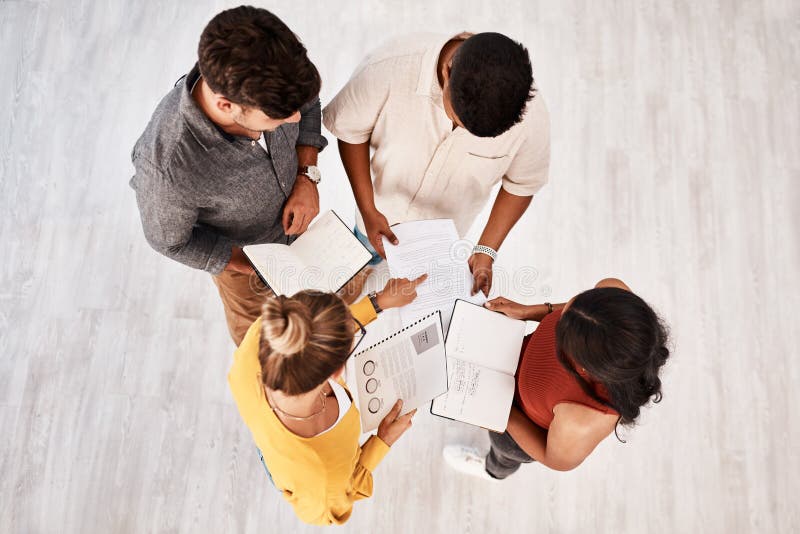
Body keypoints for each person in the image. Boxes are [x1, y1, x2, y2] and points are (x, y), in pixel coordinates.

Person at [130, 6, 328, 345]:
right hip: (245, 265)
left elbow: (307, 103)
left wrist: (306, 175)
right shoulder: (168, 169)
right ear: (226, 105)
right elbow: (170, 241)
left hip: (301, 233)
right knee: (261, 344)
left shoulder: (279, 80)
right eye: (280, 116)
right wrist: (250, 264)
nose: (297, 118)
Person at [323, 31, 550, 296]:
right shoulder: (388, 67)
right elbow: (351, 132)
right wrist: (368, 208)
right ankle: (361, 269)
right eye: (457, 118)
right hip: (377, 213)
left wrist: (486, 249)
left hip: (443, 239)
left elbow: (522, 184)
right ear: (446, 71)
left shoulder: (531, 118)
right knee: (360, 260)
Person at [228, 275, 427, 525]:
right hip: (290, 470)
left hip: (270, 437)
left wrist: (377, 303)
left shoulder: (270, 332)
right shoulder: (323, 474)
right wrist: (383, 440)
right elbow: (327, 515)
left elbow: (313, 335)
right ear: (336, 373)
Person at [442, 278, 670, 478]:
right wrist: (527, 311)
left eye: (561, 329)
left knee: (503, 455)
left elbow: (554, 459)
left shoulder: (585, 419)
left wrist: (497, 412)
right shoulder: (613, 295)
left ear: (584, 368)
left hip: (517, 423)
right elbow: (577, 312)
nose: (561, 315)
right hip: (509, 359)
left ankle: (492, 471)